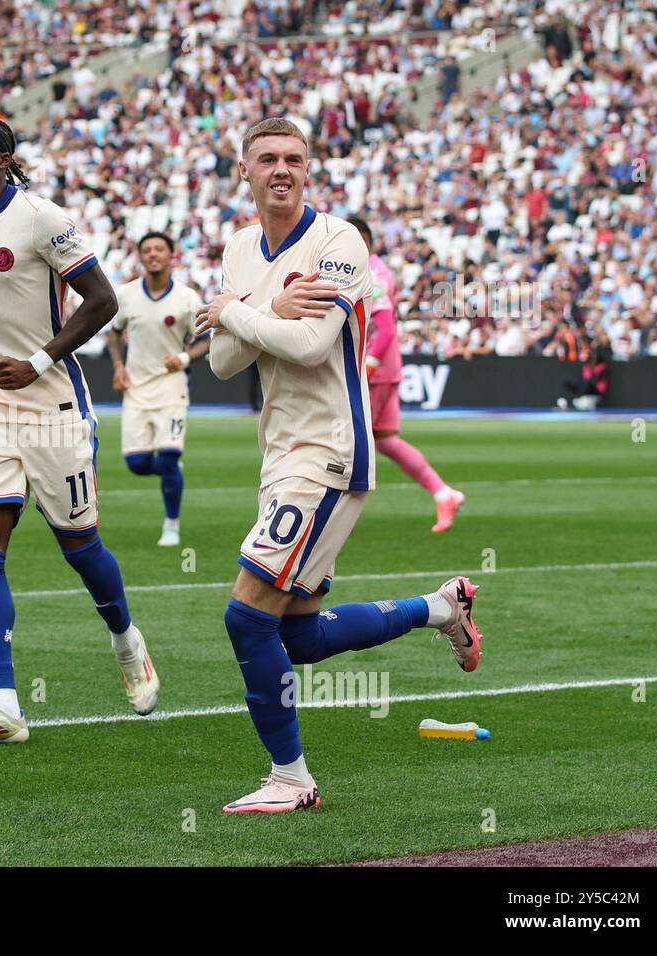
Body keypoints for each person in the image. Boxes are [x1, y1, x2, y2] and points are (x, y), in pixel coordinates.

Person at [196, 118, 484, 815]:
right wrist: (260, 306)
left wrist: (237, 311)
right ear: (245, 171)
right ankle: (442, 607)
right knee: (296, 635)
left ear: (310, 168)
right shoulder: (240, 248)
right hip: (279, 454)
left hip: (330, 450)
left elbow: (308, 342)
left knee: (245, 618)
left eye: (295, 157)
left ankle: (291, 778)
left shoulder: (337, 240)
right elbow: (222, 359)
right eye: (267, 158)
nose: (282, 168)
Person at [0, 115, 159, 744]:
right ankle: (4, 707)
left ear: (3, 159)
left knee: (80, 547)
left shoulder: (41, 218)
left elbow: (102, 300)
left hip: (52, 403)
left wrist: (40, 361)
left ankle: (127, 641)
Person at [348, 217, 464, 532]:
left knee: (349, 439)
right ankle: (443, 493)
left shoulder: (373, 274)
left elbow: (385, 330)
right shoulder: (370, 271)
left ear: (362, 239)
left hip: (377, 370)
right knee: (384, 440)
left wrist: (366, 369)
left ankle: (334, 515)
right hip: (387, 367)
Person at [106, 232, 209, 546]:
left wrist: (182, 357)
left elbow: (205, 340)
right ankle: (171, 465)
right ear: (140, 256)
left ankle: (171, 525)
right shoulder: (125, 295)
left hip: (171, 387)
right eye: (146, 250)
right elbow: (113, 333)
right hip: (136, 387)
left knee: (166, 459)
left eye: (159, 249)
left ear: (171, 255)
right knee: (137, 464)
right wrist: (118, 366)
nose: (152, 254)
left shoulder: (187, 298)